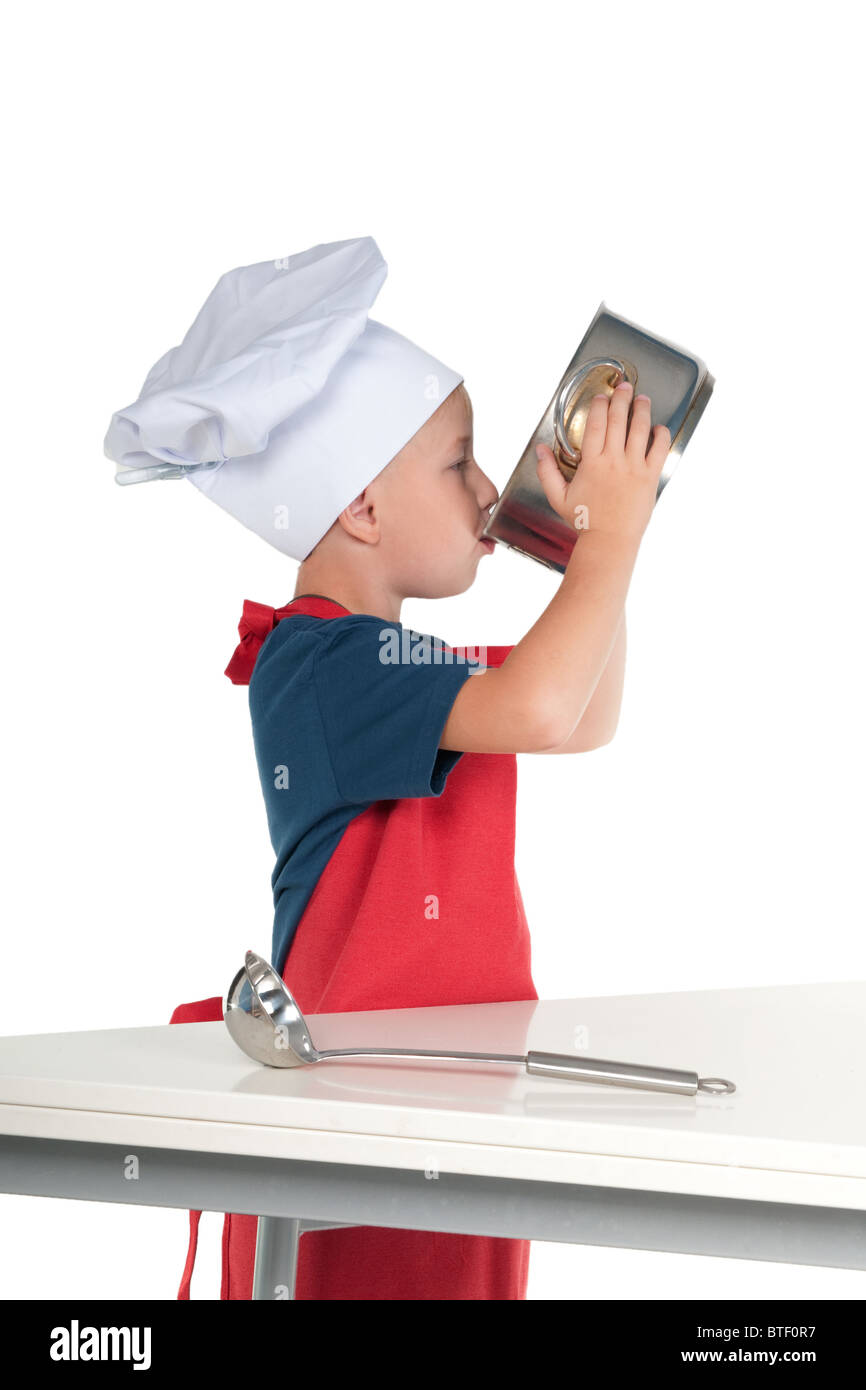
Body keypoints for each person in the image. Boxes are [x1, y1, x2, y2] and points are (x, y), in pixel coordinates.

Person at [105, 236, 670, 1299]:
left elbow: (582, 707)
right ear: (361, 509)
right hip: (365, 1115)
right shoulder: (320, 660)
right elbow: (547, 707)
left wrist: (582, 539)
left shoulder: (405, 665)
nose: (483, 484)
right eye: (458, 461)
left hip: (460, 1091)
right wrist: (610, 543)